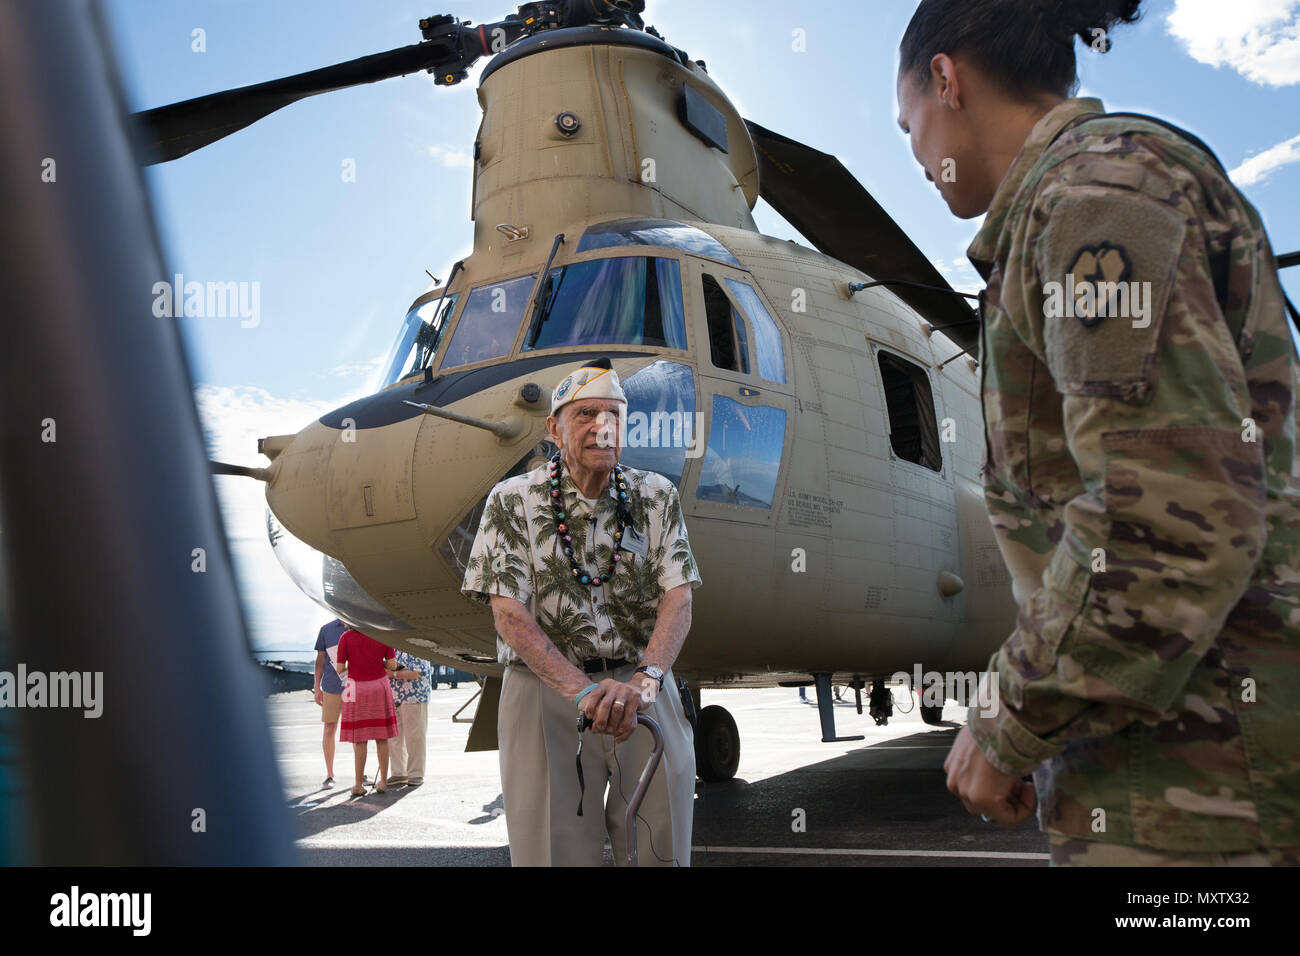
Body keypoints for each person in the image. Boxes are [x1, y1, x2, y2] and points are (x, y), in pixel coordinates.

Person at [896, 0, 1300, 865]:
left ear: (945, 79)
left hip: (1200, 782)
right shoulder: (1087, 197)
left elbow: (1161, 521)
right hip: (1177, 758)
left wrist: (1008, 717)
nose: (919, 156)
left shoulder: (1092, 200)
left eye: (910, 127)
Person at [461, 357, 701, 866]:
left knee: (666, 834)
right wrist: (585, 692)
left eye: (614, 414)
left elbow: (678, 597)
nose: (603, 426)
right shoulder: (513, 501)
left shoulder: (656, 497)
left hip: (644, 685)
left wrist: (646, 681)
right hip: (546, 692)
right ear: (554, 427)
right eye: (586, 414)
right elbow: (509, 614)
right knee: (555, 849)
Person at [335, 627, 399, 797]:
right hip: (379, 685)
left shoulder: (346, 637)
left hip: (357, 687)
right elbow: (392, 664)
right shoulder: (382, 633)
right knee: (382, 736)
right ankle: (383, 782)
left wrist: (355, 664)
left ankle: (358, 785)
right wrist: (380, 663)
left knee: (360, 738)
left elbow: (340, 668)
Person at [388, 650, 434, 787]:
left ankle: (416, 774)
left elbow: (415, 673)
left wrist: (393, 674)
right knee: (394, 737)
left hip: (415, 696)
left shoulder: (417, 646)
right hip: (395, 696)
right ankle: (398, 772)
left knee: (414, 737)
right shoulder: (393, 648)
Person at [313, 617, 347, 788]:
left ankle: (361, 774)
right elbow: (320, 660)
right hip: (331, 686)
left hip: (354, 686)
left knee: (357, 729)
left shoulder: (359, 627)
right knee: (329, 728)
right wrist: (316, 687)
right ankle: (330, 774)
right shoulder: (326, 629)